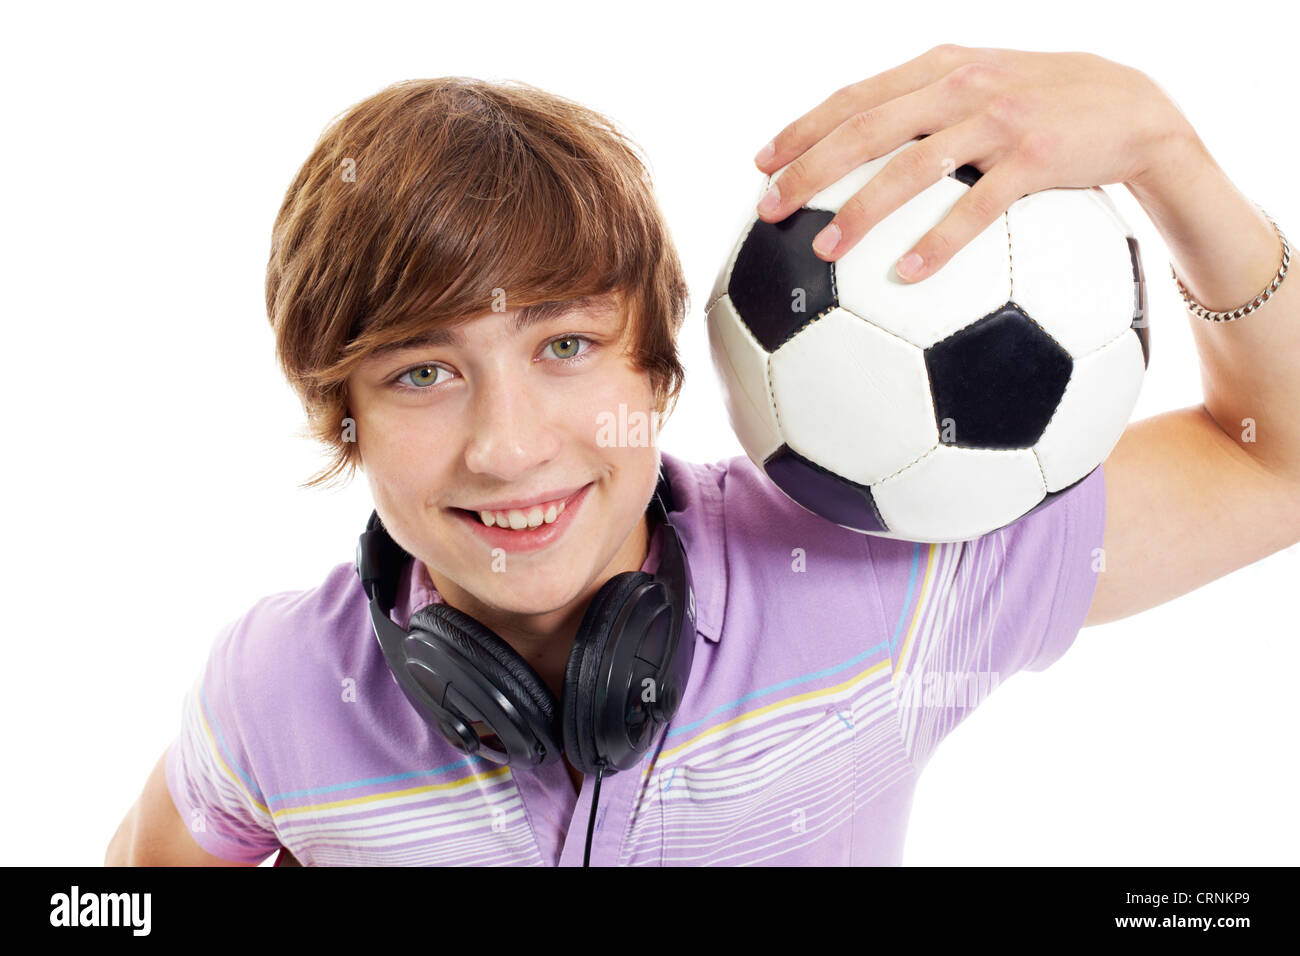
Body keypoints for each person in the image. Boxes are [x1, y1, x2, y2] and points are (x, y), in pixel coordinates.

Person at [106, 46, 1300, 867]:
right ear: (340, 410)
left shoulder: (889, 584)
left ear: (657, 371)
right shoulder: (272, 691)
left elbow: (1275, 466)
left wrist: (1165, 151)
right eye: (422, 371)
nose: (509, 444)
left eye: (566, 343)